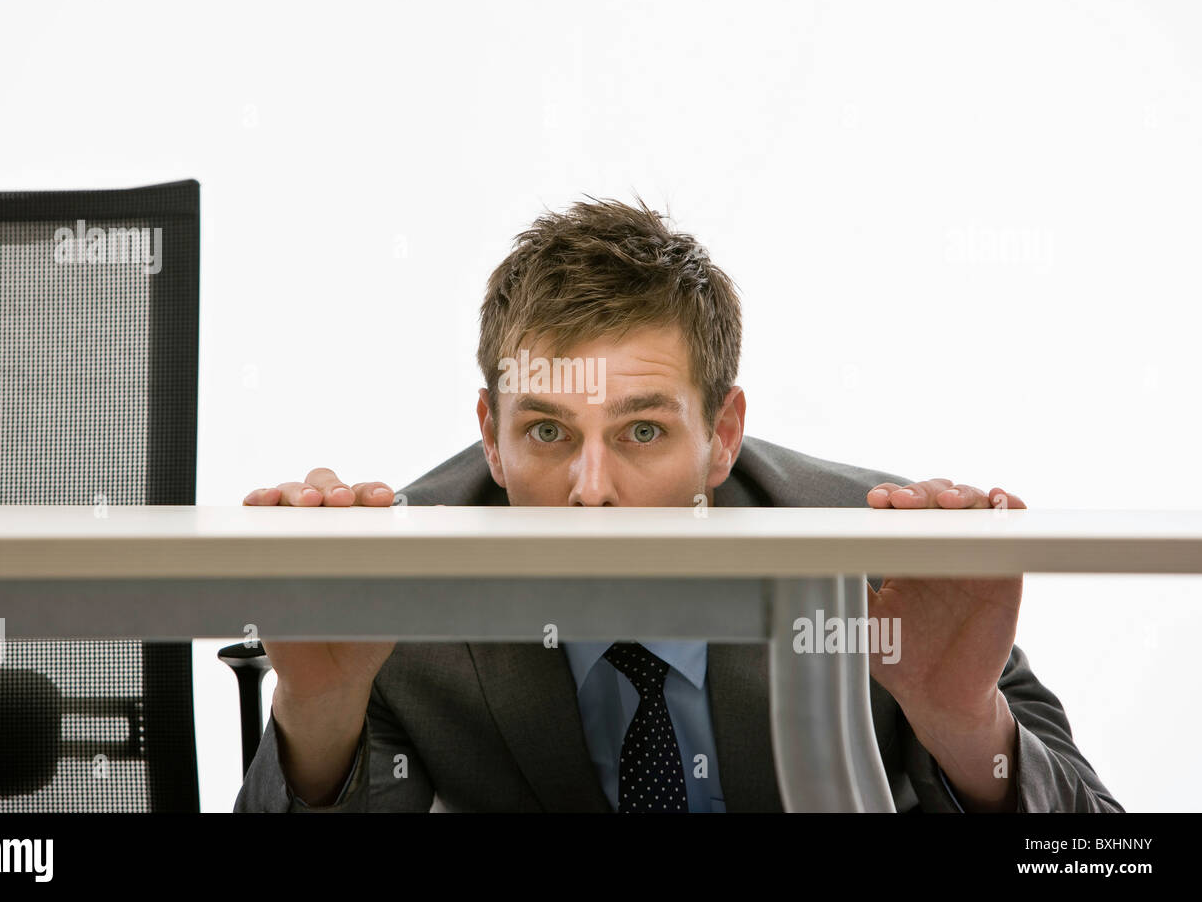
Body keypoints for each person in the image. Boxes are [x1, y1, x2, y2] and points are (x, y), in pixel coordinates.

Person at [234, 198, 1121, 813]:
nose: (591, 492)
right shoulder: (387, 595)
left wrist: (966, 728)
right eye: (546, 432)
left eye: (643, 432)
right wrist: (319, 718)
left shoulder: (884, 573)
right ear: (490, 435)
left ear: (723, 434)